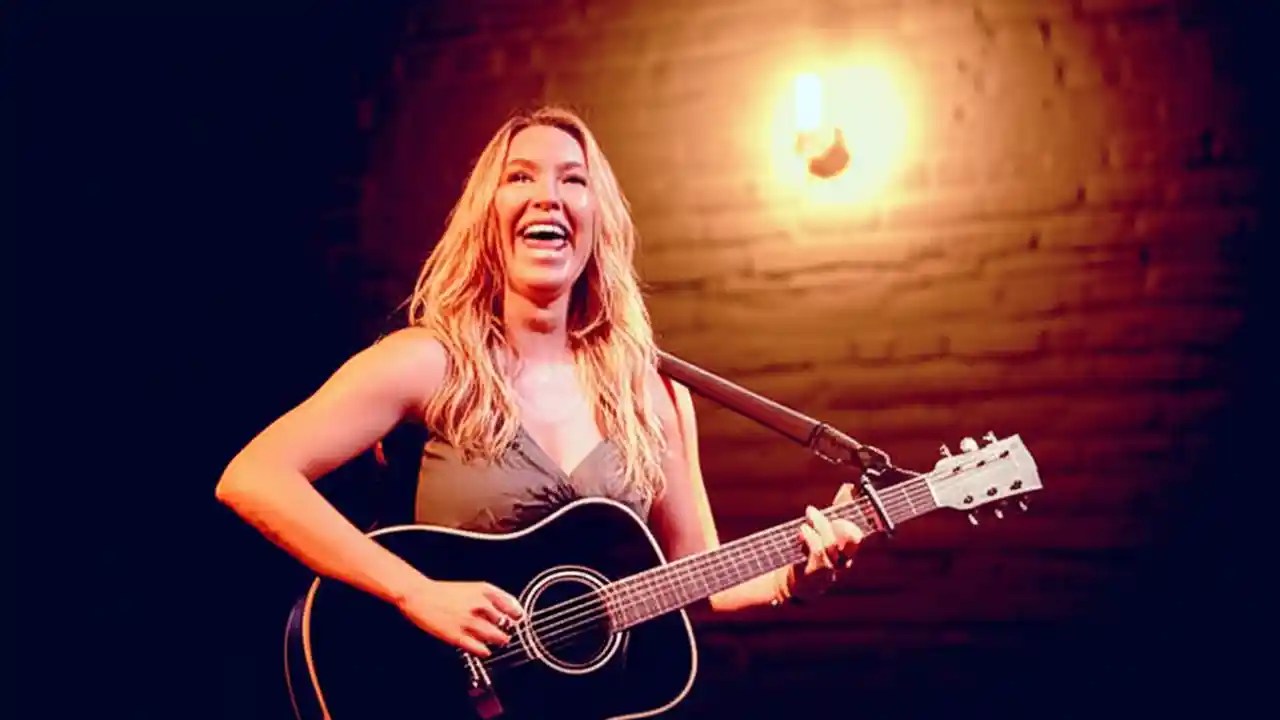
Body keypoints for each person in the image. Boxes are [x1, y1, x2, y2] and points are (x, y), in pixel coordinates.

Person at [214, 105, 864, 659]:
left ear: (596, 219)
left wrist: (792, 579)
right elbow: (254, 476)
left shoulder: (652, 393)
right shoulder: (429, 362)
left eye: (573, 179)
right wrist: (414, 591)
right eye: (520, 176)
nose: (548, 195)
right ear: (488, 216)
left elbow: (696, 580)